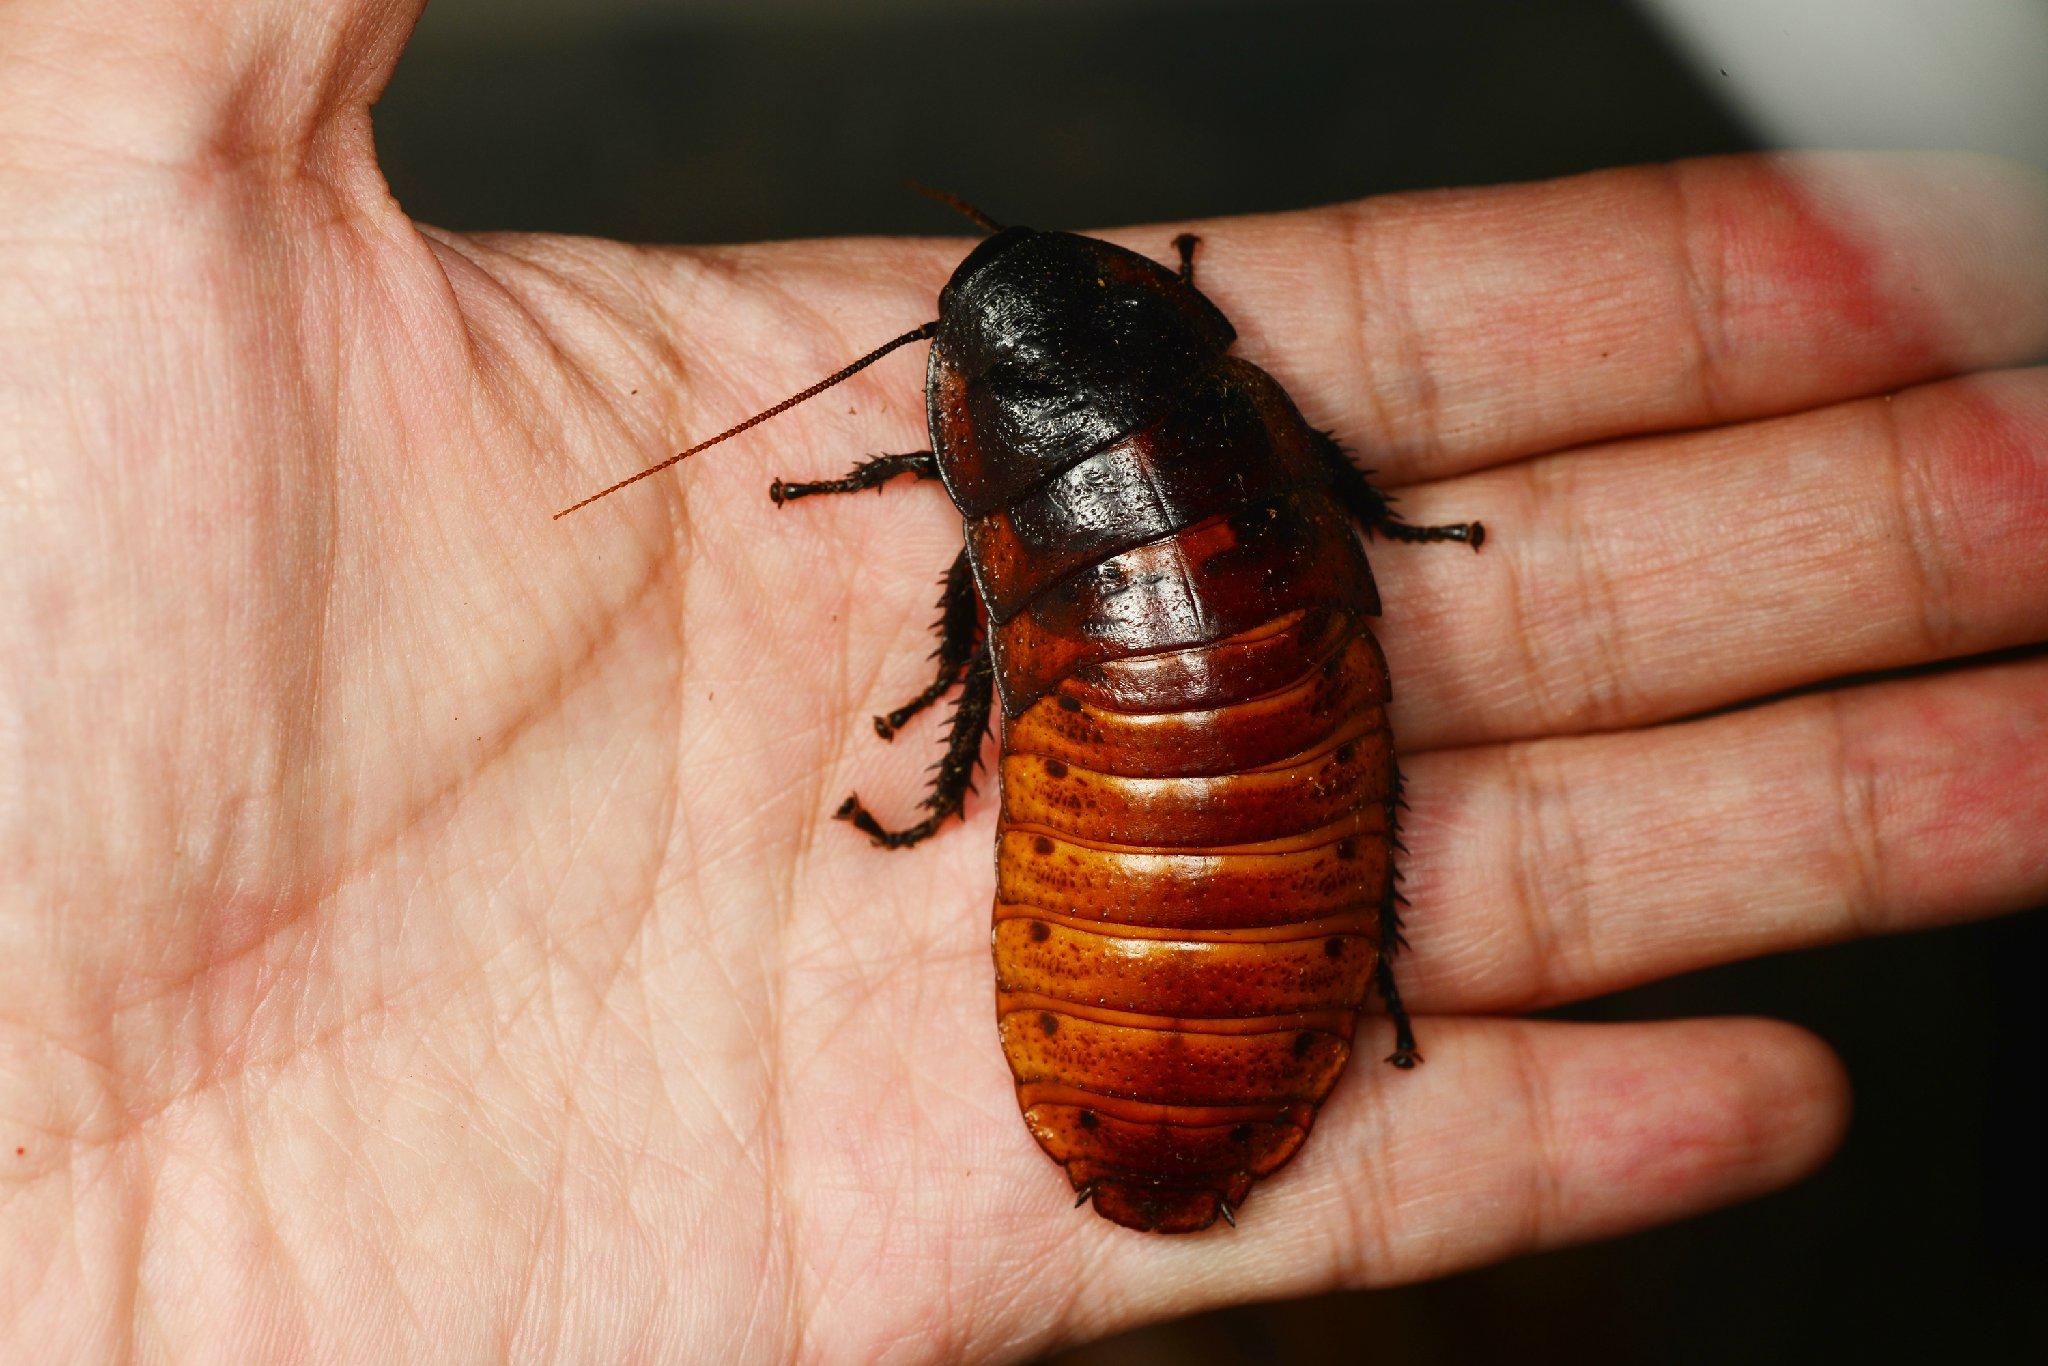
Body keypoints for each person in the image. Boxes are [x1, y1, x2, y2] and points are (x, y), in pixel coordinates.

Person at [3, 3, 2044, 1358]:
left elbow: (995, 596)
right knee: (1308, 703)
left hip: (1155, 813)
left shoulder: (1011, 494)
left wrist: (948, 738)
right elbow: (1281, 592)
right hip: (1233, 775)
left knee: (1236, 696)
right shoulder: (1241, 458)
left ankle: (1109, 856)